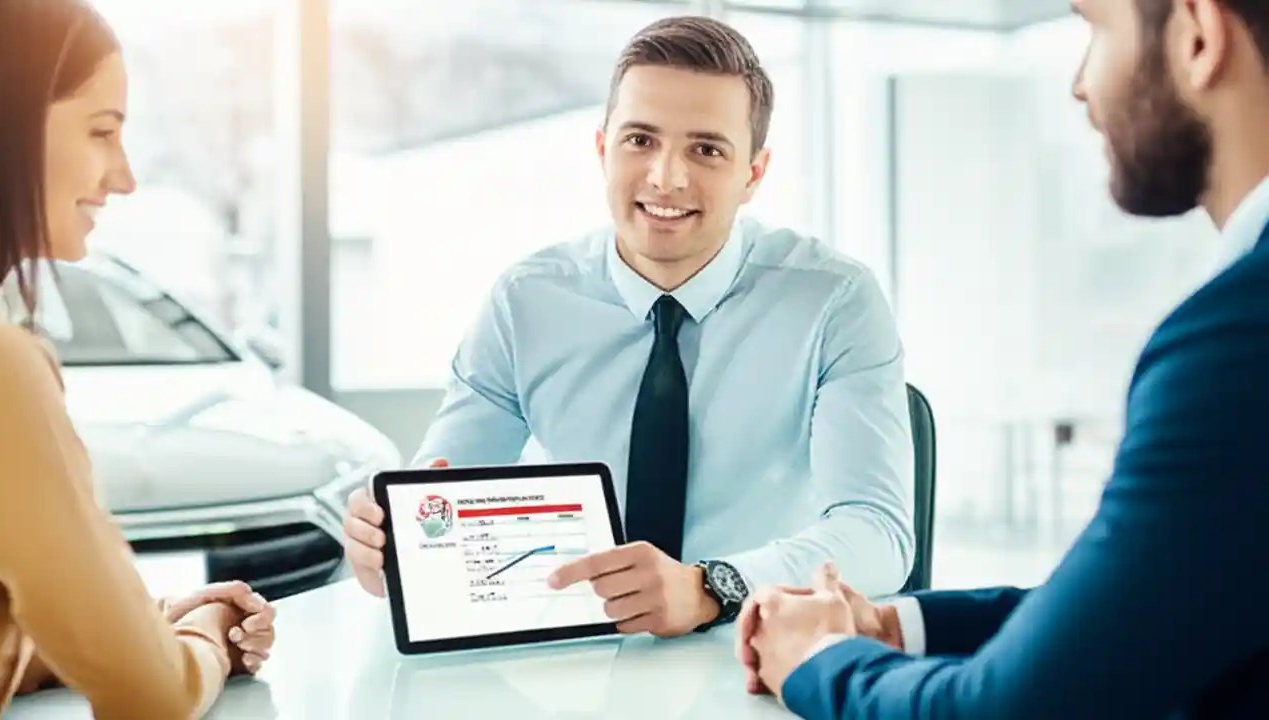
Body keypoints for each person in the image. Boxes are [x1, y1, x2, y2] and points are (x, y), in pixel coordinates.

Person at [738, 0, 1269, 716]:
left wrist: (814, 657)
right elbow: (1144, 610)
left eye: (1096, 28)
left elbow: (1005, 710)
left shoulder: (1235, 342)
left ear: (1199, 36)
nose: (1082, 83)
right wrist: (895, 626)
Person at [345, 15, 916, 638]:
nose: (666, 178)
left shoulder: (833, 300)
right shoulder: (526, 302)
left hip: (755, 645)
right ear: (602, 149)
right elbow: (436, 508)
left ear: (753, 173)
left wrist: (710, 587)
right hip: (568, 650)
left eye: (706, 149)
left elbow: (877, 532)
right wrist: (390, 546)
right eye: (640, 140)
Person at [0, 2, 276, 717]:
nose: (124, 178)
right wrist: (202, 636)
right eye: (102, 132)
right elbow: (154, 696)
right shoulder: (1, 368)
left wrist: (134, 626)